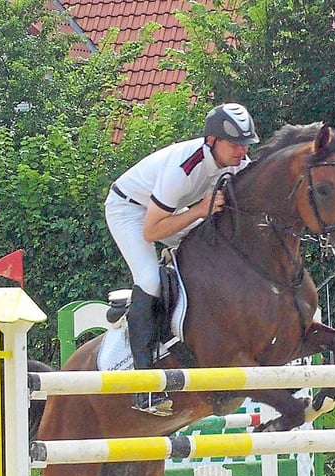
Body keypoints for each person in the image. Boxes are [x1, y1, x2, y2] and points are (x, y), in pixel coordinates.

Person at [105, 102, 259, 415]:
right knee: (149, 278)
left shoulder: (237, 163)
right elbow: (152, 231)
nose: (242, 151)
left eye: (245, 144)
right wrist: (200, 211)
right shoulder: (184, 168)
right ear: (212, 141)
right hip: (131, 211)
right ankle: (144, 387)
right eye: (235, 144)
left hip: (171, 213)